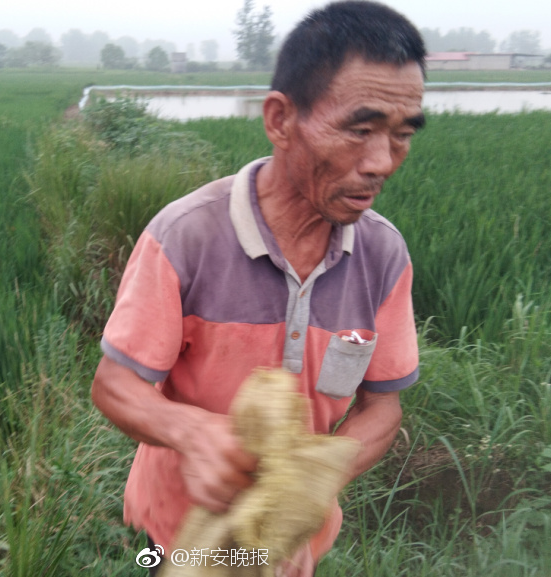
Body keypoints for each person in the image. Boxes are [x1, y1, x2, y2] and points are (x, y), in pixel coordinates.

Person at [91, 1, 426, 575]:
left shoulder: (383, 255)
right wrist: (190, 430)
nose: (381, 162)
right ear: (279, 119)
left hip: (290, 541)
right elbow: (115, 384)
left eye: (401, 135)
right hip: (176, 531)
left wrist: (320, 474)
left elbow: (382, 409)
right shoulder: (186, 236)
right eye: (360, 129)